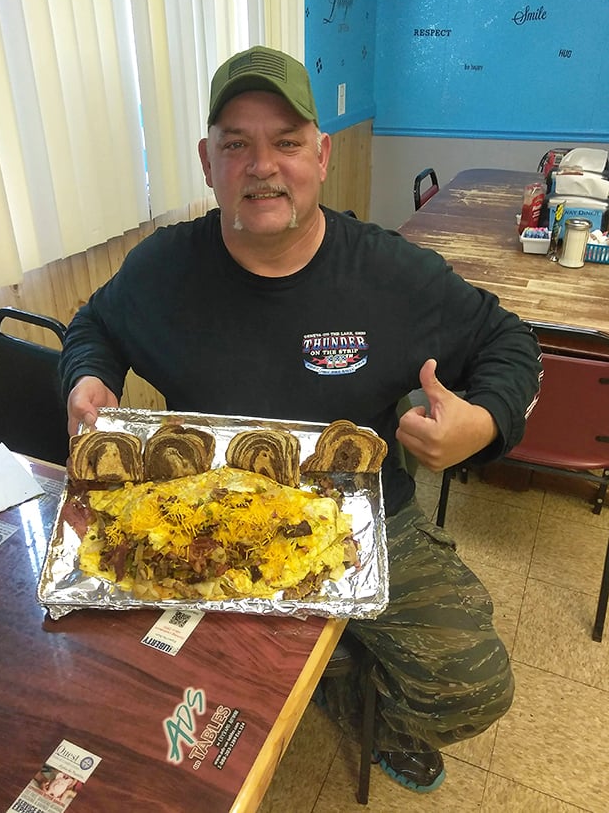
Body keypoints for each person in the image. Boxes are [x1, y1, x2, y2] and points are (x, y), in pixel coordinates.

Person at [60, 45, 542, 793]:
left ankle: (354, 689)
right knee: (110, 693)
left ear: (320, 154)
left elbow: (509, 340)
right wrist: (87, 377)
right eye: (236, 145)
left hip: (367, 517)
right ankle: (307, 666)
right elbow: (92, 325)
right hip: (200, 518)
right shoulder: (165, 269)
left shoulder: (391, 273)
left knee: (474, 685)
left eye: (286, 142)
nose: (263, 165)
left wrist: (481, 425)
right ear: (207, 161)